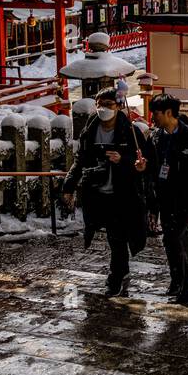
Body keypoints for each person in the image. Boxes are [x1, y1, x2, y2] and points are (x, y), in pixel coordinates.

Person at [62, 88, 148, 297]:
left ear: (119, 106)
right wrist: (69, 186)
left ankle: (116, 278)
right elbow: (80, 160)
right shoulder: (90, 129)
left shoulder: (131, 132)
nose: (103, 109)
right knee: (113, 237)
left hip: (122, 193)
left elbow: (144, 162)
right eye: (99, 104)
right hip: (97, 193)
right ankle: (121, 273)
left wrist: (125, 161)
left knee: (117, 237)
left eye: (109, 105)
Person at [147, 95, 188, 304]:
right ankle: (176, 281)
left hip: (187, 199)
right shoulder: (156, 137)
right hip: (165, 198)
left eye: (156, 113)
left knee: (173, 239)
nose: (152, 118)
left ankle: (186, 289)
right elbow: (152, 169)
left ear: (169, 113)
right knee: (169, 242)